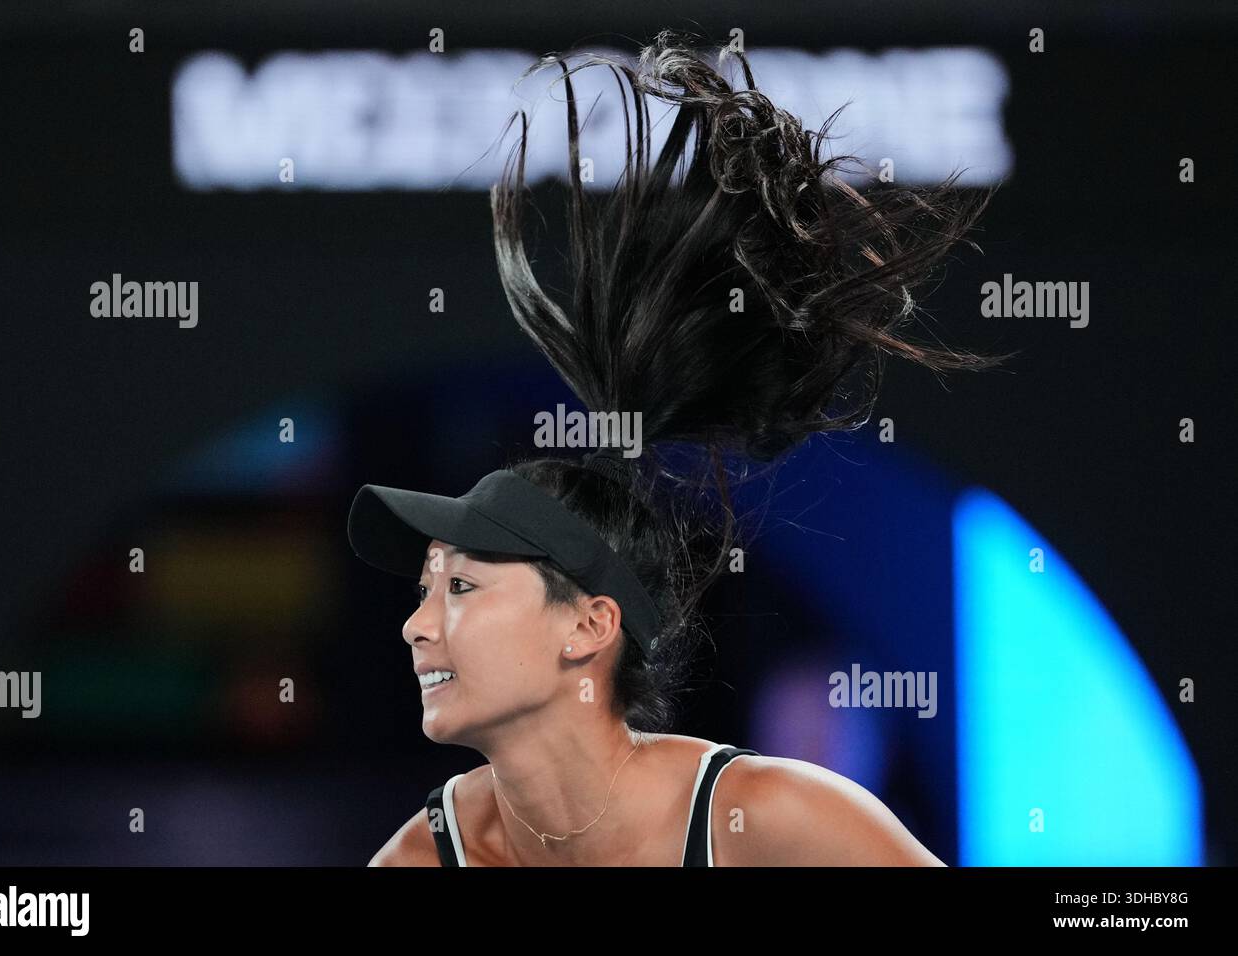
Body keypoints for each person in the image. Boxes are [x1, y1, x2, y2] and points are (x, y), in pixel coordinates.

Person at [348, 31, 1011, 866]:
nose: (415, 626)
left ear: (588, 626)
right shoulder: (421, 858)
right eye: (425, 590)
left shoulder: (771, 821)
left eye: (462, 587)